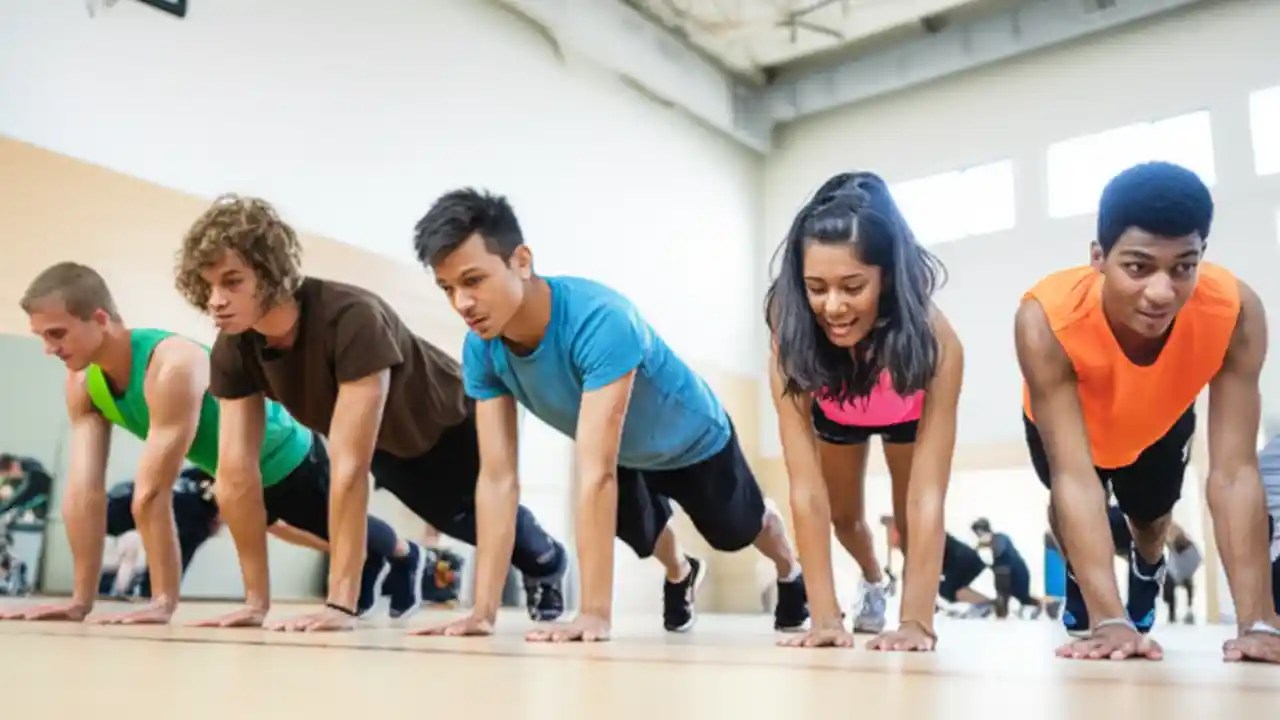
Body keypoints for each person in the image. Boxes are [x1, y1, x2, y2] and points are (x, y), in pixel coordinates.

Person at [415, 187, 808, 642]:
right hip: (625, 451)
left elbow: (596, 472)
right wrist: (482, 612)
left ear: (521, 261)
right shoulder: (482, 349)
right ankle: (681, 571)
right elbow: (498, 479)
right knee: (642, 532)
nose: (462, 303)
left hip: (692, 438)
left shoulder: (600, 319)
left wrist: (594, 615)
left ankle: (788, 566)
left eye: (473, 280)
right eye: (448, 289)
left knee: (737, 531)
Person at [175, 194, 571, 631]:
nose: (215, 300)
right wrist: (255, 603)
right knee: (465, 527)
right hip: (392, 447)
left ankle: (547, 562)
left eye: (232, 282)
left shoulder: (351, 317)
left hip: (456, 420)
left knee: (500, 523)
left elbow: (349, 465)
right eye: (208, 285)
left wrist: (339, 605)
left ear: (269, 274)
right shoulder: (234, 349)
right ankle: (537, 557)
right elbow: (235, 475)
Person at [2, 262, 421, 627]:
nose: (48, 348)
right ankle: (375, 561)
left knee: (335, 528)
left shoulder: (171, 364)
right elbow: (82, 492)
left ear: (99, 318)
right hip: (227, 469)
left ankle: (406, 555)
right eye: (40, 336)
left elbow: (151, 494)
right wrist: (80, 601)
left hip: (285, 456)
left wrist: (162, 602)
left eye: (57, 333)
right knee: (285, 528)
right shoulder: (81, 382)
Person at [1015, 160, 1280, 663]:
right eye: (1138, 267)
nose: (1162, 293)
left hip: (1158, 419)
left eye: (1184, 266)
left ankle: (1147, 565)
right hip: (1071, 424)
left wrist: (1260, 622)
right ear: (1098, 257)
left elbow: (1233, 471)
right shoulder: (1046, 317)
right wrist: (1110, 623)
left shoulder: (1236, 312)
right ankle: (1094, 589)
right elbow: (1075, 475)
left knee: (1151, 521)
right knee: (1066, 503)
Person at [762, 171, 962, 651]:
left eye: (853, 287)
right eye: (816, 287)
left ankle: (914, 605)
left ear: (886, 278)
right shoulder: (791, 337)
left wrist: (916, 625)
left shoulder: (936, 340)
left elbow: (928, 496)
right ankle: (874, 580)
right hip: (840, 412)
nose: (833, 307)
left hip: (904, 411)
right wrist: (824, 619)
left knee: (907, 513)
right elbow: (806, 492)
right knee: (844, 517)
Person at [971, 518, 1043, 619]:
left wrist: (985, 545)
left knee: (1019, 597)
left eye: (978, 532)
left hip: (1016, 571)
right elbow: (982, 558)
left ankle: (1041, 607)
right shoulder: (985, 543)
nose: (977, 535)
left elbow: (999, 552)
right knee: (1005, 594)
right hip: (1005, 572)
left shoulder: (1000, 538)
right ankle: (1001, 617)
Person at [0, 454, 53, 523]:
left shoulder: (34, 473)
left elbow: (22, 496)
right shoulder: (30, 464)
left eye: (9, 475)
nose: (12, 476)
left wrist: (3, 509)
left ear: (12, 466)